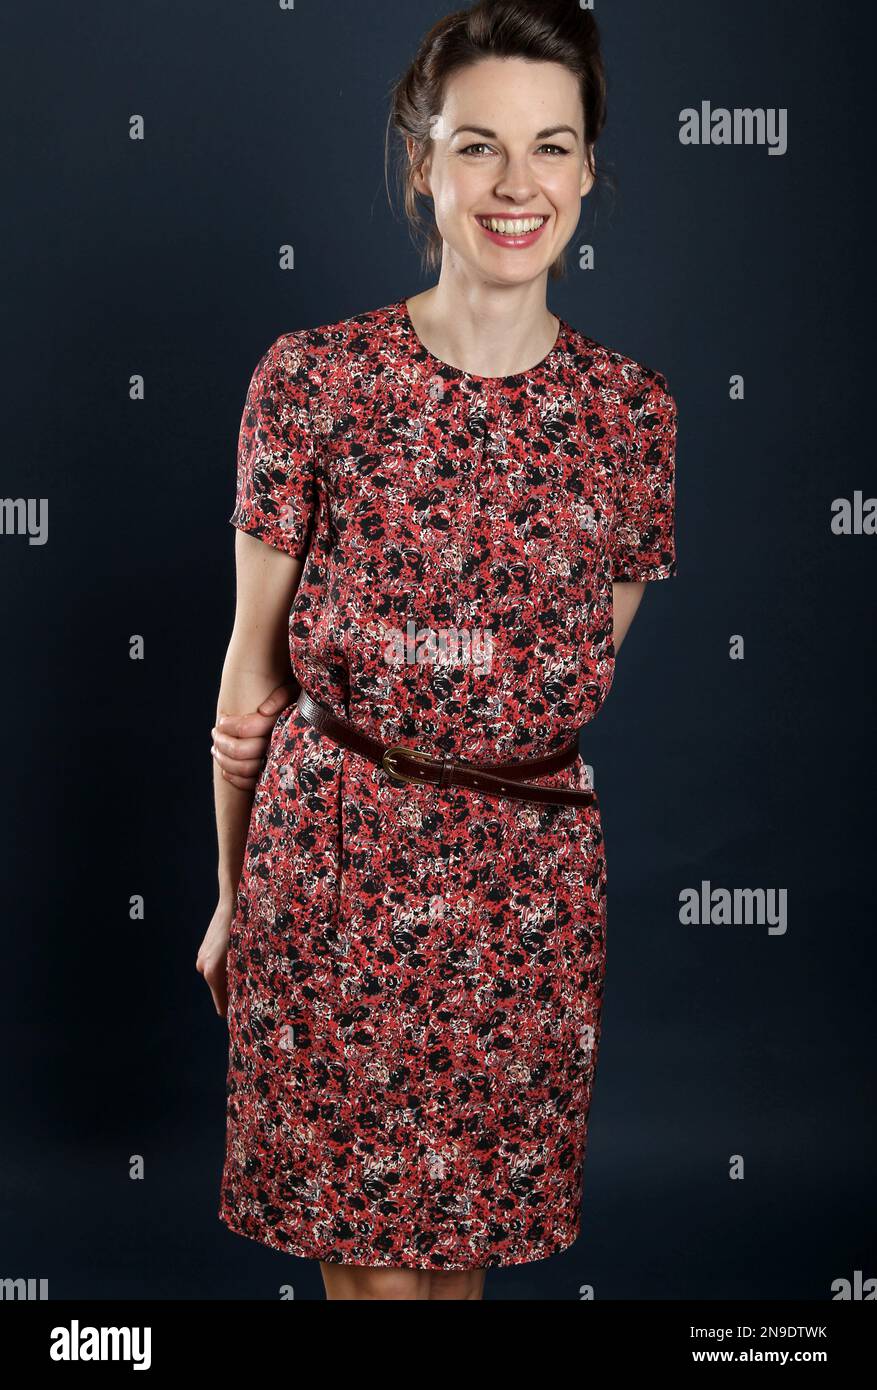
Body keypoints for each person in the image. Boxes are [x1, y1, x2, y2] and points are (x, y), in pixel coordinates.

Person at [196, 0, 677, 1302]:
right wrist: (235, 892)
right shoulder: (310, 380)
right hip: (333, 854)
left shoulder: (631, 418)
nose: (515, 185)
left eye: (550, 146)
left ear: (587, 170)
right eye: (478, 146)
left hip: (524, 885)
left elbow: (564, 687)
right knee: (361, 1268)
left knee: (463, 1260)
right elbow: (249, 686)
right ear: (422, 162)